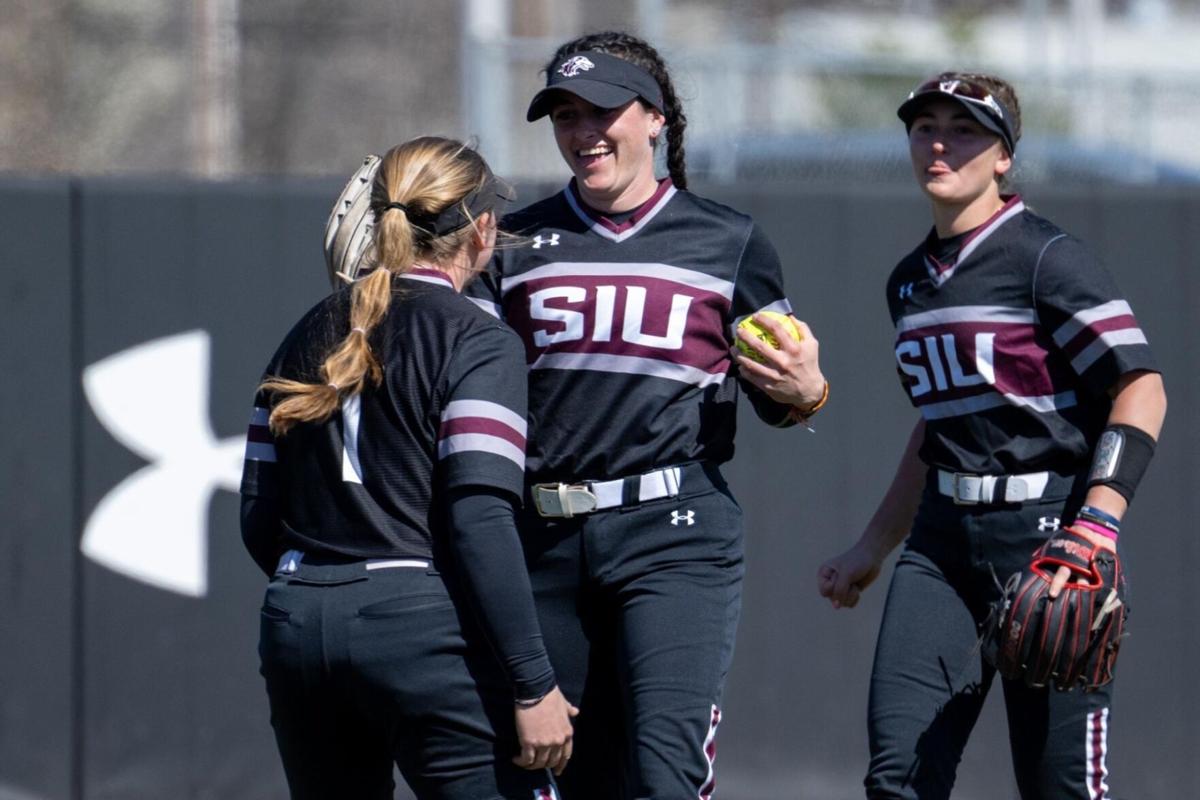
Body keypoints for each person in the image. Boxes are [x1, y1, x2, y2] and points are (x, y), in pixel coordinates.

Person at [467, 32, 829, 800]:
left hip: (673, 535)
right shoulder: (513, 245)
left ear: (655, 117)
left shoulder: (726, 240)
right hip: (543, 537)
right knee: (551, 776)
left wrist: (808, 395)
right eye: (564, 114)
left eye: (602, 110)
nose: (583, 132)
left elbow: (782, 403)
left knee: (664, 776)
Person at [817, 73, 1166, 799]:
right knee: (898, 780)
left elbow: (1141, 387)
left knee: (1060, 787)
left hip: (1049, 539)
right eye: (924, 127)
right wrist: (870, 549)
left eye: (965, 129)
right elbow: (938, 428)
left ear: (1004, 155)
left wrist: (1098, 524)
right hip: (940, 546)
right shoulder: (908, 281)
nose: (939, 144)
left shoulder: (1046, 257)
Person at [239, 136, 576, 800]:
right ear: (482, 230)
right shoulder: (478, 339)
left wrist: (328, 596)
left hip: (296, 620)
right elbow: (478, 518)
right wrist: (533, 682)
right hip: (416, 624)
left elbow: (258, 517)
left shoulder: (304, 331)